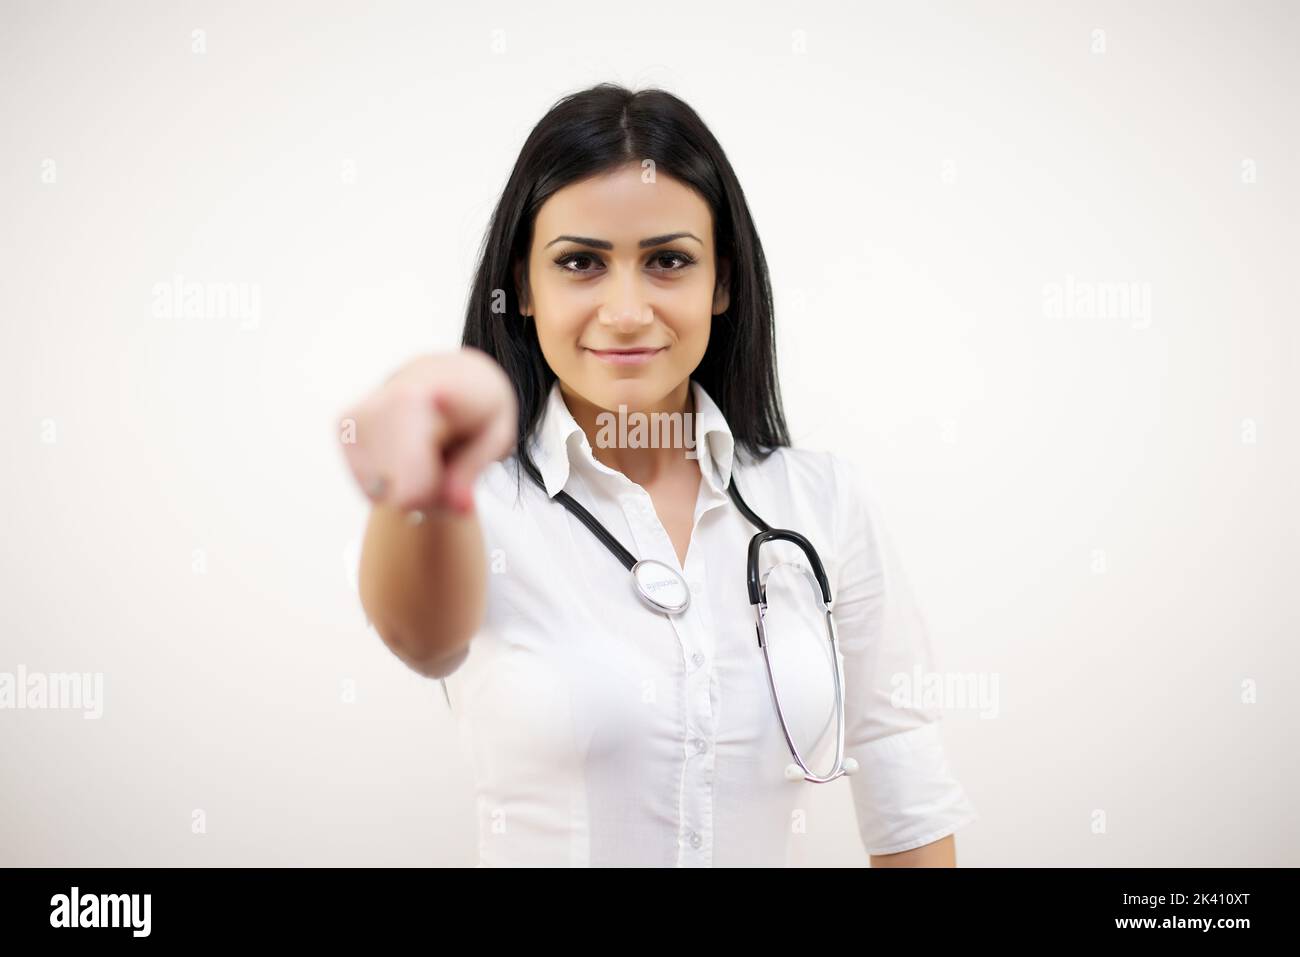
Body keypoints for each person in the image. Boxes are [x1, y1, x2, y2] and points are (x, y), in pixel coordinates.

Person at [337, 83, 978, 867]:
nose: (628, 310)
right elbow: (423, 637)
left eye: (668, 261)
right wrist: (425, 490)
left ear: (723, 282)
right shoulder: (475, 509)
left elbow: (905, 793)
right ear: (525, 288)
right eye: (580, 263)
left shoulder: (822, 501)